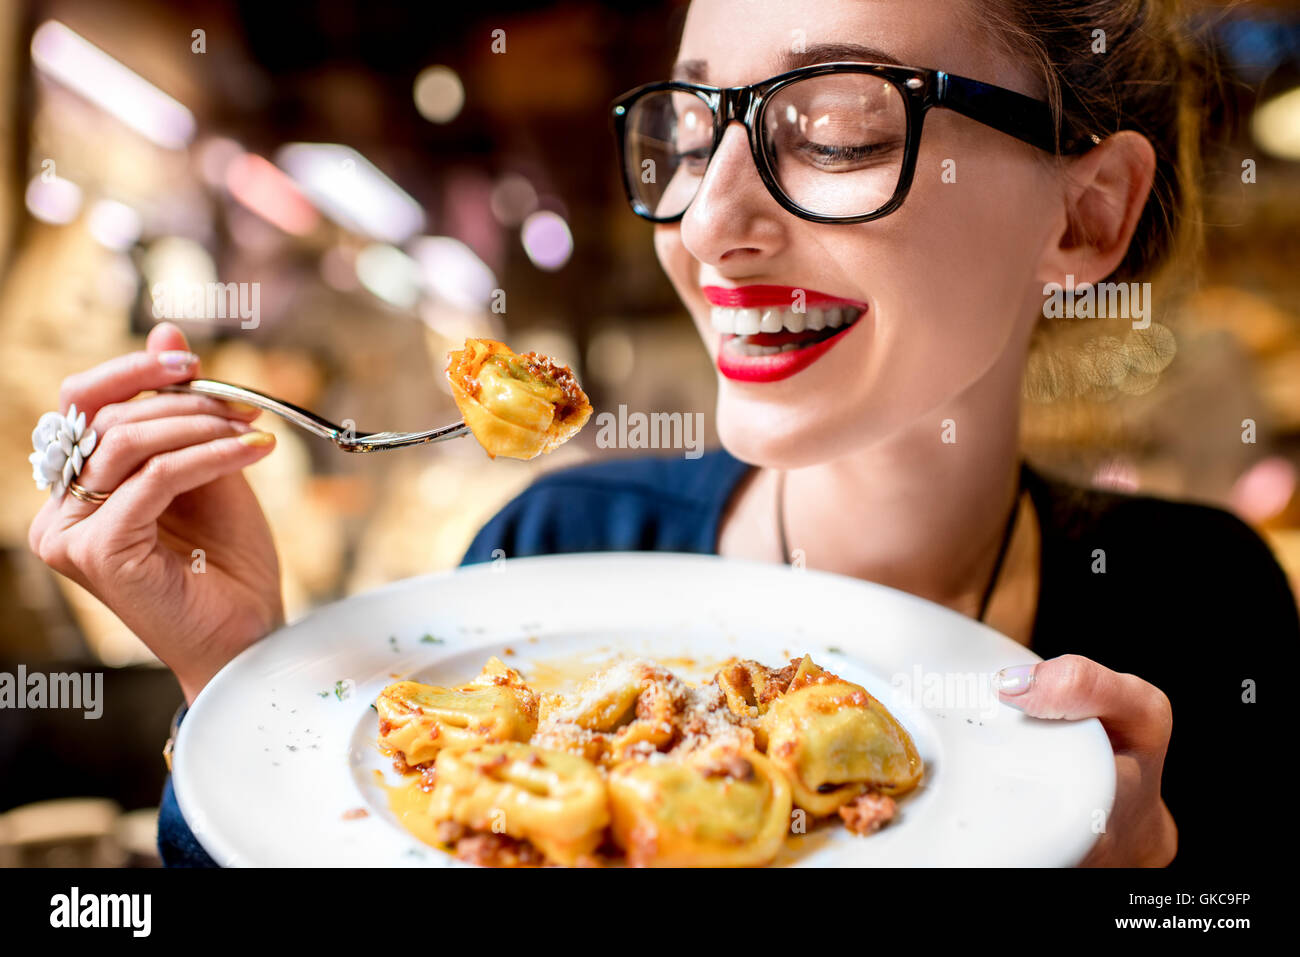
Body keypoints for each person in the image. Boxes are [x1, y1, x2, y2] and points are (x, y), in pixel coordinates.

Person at [26, 0, 1298, 868]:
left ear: (1084, 218)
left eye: (839, 126)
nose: (704, 222)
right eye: (694, 130)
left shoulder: (1203, 606)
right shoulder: (554, 545)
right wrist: (238, 681)